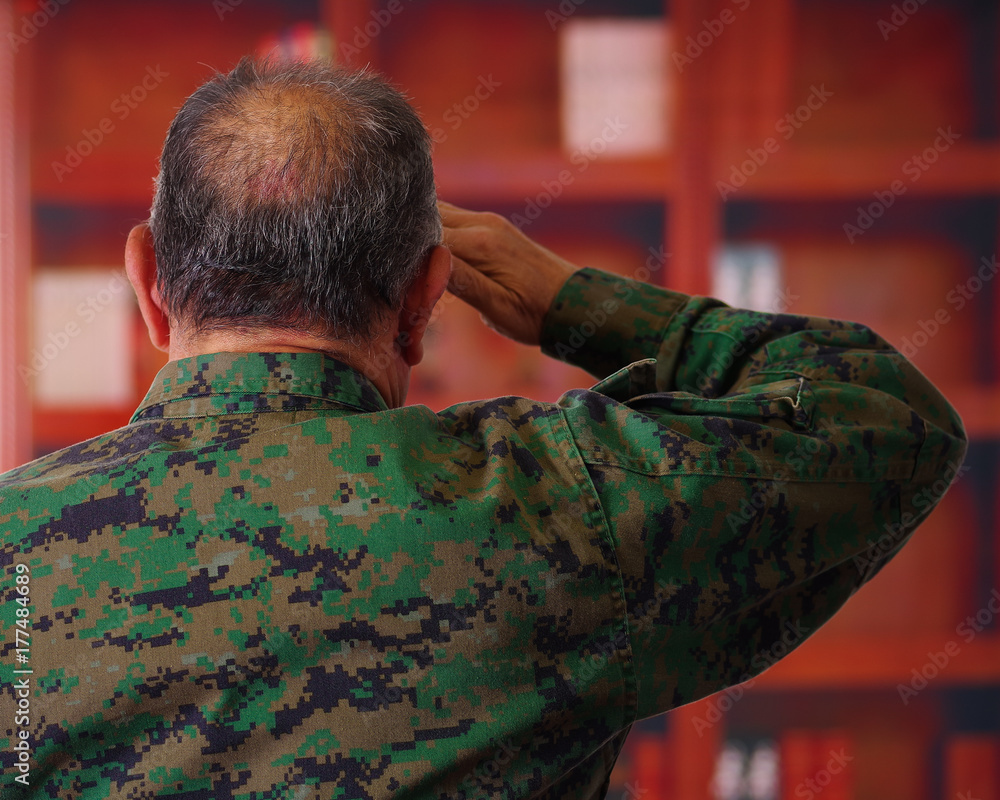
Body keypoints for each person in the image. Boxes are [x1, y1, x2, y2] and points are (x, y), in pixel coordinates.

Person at [0, 57, 966, 800]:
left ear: (147, 287)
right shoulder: (555, 509)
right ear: (427, 302)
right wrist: (570, 304)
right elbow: (882, 415)